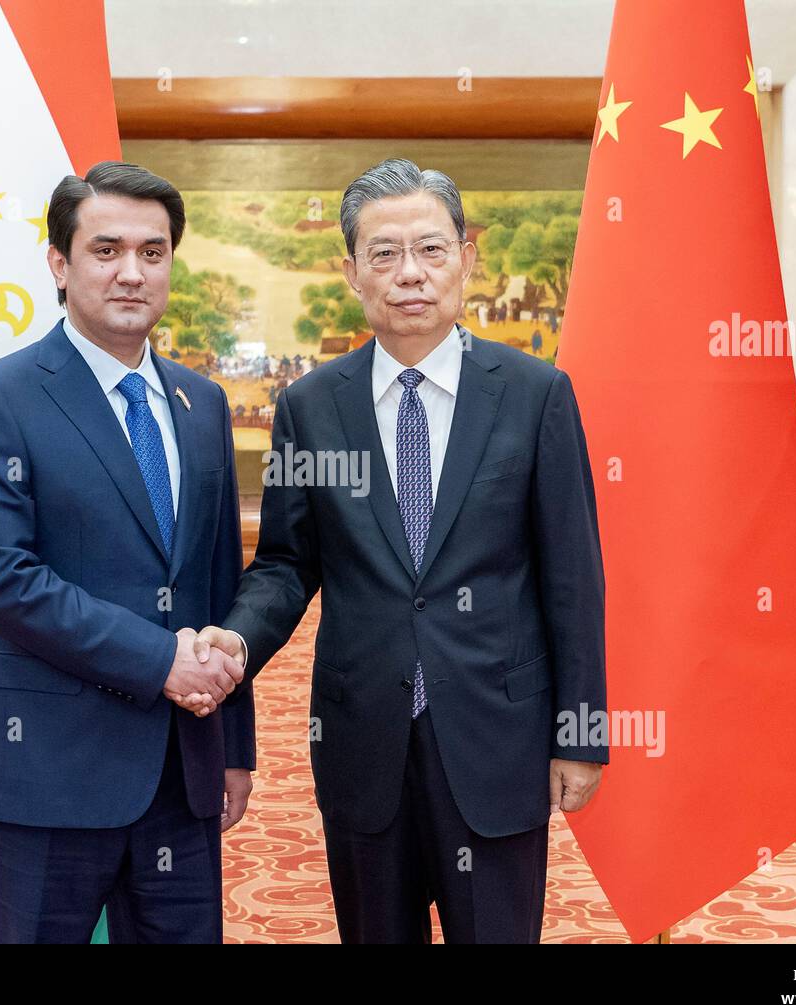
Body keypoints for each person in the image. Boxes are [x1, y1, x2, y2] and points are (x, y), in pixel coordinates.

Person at [193, 158, 607, 943]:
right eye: (384, 254)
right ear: (351, 271)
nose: (409, 273)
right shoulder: (312, 405)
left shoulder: (534, 393)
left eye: (431, 249)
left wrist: (579, 732)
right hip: (363, 739)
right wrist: (238, 637)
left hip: (496, 737)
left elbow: (574, 579)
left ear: (466, 260)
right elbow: (287, 561)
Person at [0, 160, 253, 944]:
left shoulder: (200, 402)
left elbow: (217, 582)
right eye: (106, 249)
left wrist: (233, 748)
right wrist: (161, 660)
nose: (131, 272)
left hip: (182, 778)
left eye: (153, 252)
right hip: (45, 775)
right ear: (60, 262)